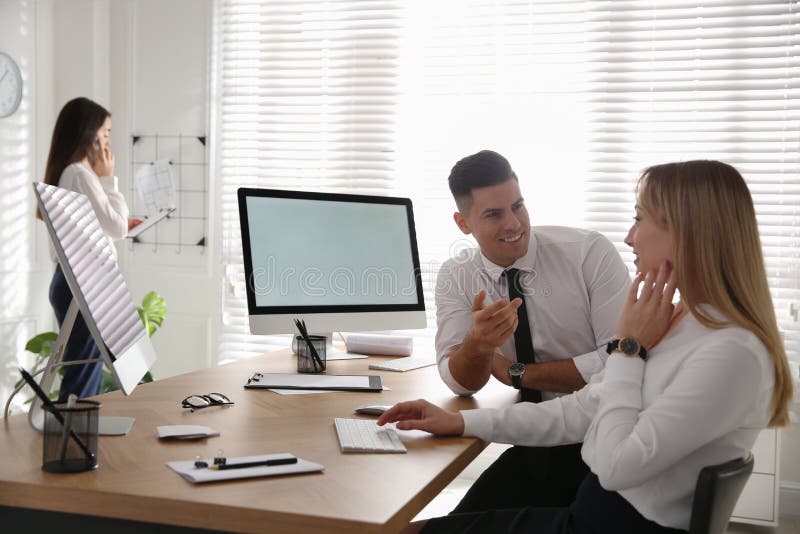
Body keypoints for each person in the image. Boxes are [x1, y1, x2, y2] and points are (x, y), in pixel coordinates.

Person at [379, 160, 794, 534]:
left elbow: (610, 464)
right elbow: (581, 410)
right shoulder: (684, 323)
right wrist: (461, 423)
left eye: (640, 218)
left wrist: (628, 349)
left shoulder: (731, 351)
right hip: (595, 511)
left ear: (686, 230)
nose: (629, 237)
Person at [435, 150, 630, 511]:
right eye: (494, 214)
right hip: (534, 445)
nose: (514, 224)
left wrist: (516, 373)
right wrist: (477, 346)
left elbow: (621, 363)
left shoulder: (588, 253)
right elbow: (461, 383)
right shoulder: (457, 274)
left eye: (518, 206)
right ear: (463, 223)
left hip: (601, 443)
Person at [37, 97, 141, 402]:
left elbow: (103, 228)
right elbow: (116, 227)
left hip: (74, 280)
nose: (109, 140)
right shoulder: (80, 174)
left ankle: (74, 433)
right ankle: (71, 438)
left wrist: (116, 215)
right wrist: (109, 178)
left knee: (84, 369)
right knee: (83, 374)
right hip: (82, 282)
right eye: (105, 132)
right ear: (89, 134)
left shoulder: (71, 172)